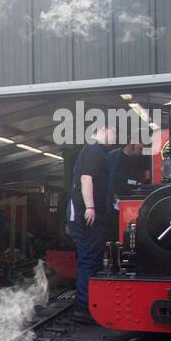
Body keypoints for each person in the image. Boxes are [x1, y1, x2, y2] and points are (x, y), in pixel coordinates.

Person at [66, 123, 119, 321]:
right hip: (86, 215)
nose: (114, 137)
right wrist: (90, 207)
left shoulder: (93, 150)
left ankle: (86, 303)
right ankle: (84, 307)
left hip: (86, 214)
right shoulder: (94, 149)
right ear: (102, 130)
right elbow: (86, 178)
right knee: (89, 259)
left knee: (90, 258)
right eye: (113, 132)